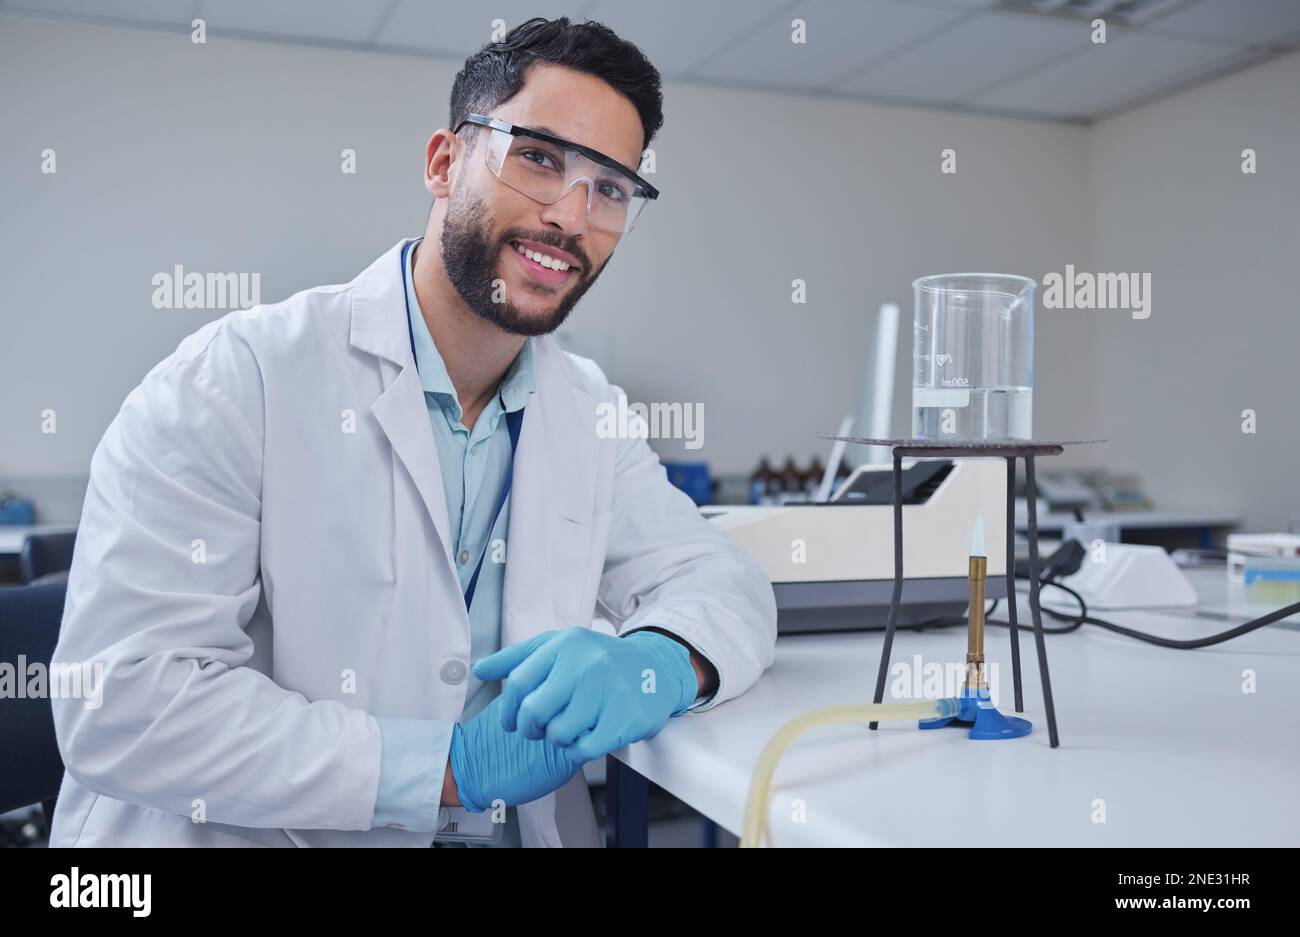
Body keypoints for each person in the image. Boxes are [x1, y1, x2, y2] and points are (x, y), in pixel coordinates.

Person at [48, 17, 776, 848]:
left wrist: (657, 660)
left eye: (611, 188)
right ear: (444, 162)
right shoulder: (237, 375)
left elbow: (728, 585)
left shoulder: (588, 411)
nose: (572, 216)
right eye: (539, 157)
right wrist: (447, 766)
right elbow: (124, 700)